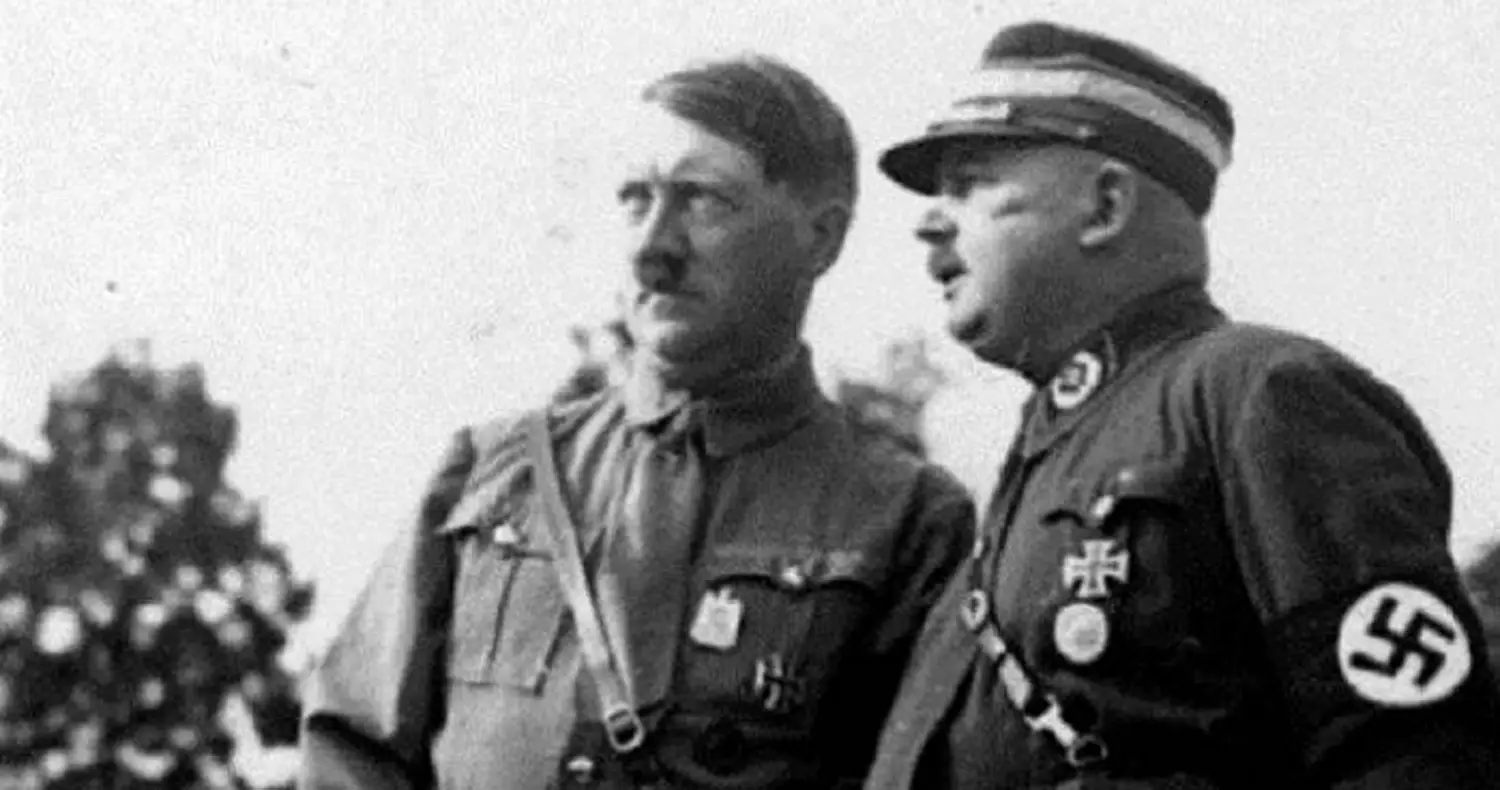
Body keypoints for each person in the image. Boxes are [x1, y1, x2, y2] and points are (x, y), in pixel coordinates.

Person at [298, 51, 975, 789]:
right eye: (634, 198)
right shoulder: (493, 472)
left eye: (704, 200)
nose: (653, 249)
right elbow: (352, 751)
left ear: (822, 237)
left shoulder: (905, 519)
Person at [864, 20, 1500, 789]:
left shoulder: (1260, 393)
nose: (930, 220)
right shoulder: (1045, 454)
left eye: (970, 184)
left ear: (1105, 206)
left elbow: (1410, 755)